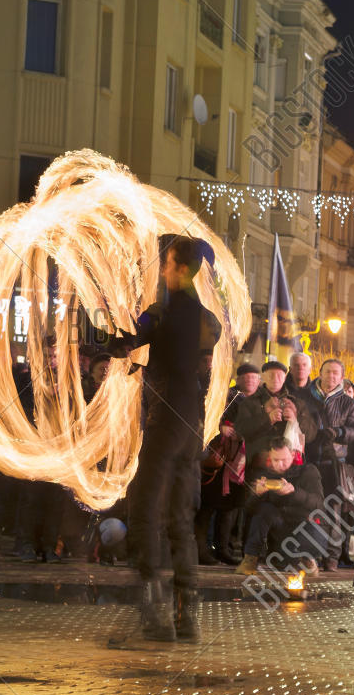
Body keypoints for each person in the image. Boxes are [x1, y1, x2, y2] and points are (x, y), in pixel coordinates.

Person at [110, 235, 222, 644]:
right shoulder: (211, 321)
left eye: (168, 262)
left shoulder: (160, 313)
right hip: (191, 428)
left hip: (164, 423)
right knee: (179, 519)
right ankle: (186, 618)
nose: (162, 269)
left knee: (143, 512)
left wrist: (108, 339)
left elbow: (129, 342)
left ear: (181, 269)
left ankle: (152, 614)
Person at [236, 439, 327, 575]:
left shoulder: (308, 471)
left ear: (292, 454)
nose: (279, 464)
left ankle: (307, 558)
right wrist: (257, 494)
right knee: (264, 509)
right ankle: (250, 558)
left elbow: (319, 503)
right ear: (269, 457)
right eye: (275, 460)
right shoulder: (264, 475)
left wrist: (294, 492)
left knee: (309, 541)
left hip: (304, 526)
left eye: (284, 459)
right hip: (279, 531)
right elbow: (249, 510)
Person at [309, 357, 354, 570]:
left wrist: (340, 432)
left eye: (336, 373)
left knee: (333, 513)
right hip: (310, 459)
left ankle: (331, 557)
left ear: (341, 377)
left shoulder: (348, 403)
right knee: (311, 510)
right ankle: (311, 553)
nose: (331, 376)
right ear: (320, 373)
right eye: (328, 371)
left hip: (335, 463)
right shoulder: (307, 396)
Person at [196, 413, 246, 565]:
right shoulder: (223, 397)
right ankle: (201, 551)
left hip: (235, 464)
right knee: (206, 509)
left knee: (227, 510)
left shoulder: (257, 402)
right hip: (216, 459)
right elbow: (202, 417)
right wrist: (219, 428)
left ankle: (223, 550)